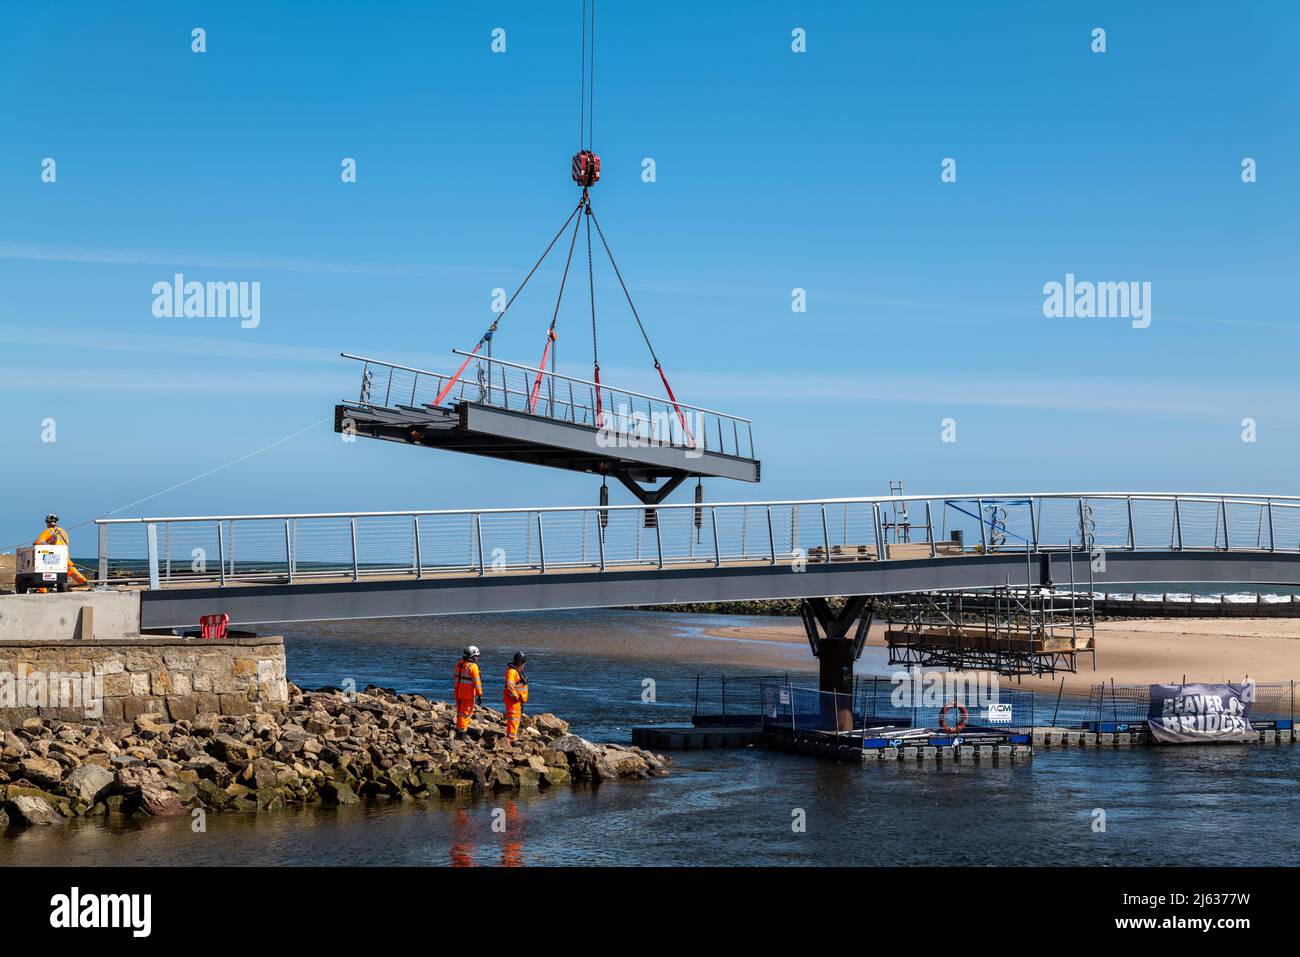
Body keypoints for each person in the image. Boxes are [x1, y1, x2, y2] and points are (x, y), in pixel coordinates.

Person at [35, 514, 87, 587]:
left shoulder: (48, 531)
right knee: (69, 569)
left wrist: (45, 545)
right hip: (65, 554)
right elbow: (67, 542)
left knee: (44, 571)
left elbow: (38, 542)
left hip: (54, 555)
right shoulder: (63, 531)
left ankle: (42, 590)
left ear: (47, 522)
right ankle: (84, 582)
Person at [453, 645, 483, 736]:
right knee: (465, 714)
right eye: (477, 656)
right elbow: (477, 683)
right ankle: (462, 733)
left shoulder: (459, 663)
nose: (477, 658)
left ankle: (459, 729)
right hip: (467, 694)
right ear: (473, 656)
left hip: (458, 692)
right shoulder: (473, 667)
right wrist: (480, 694)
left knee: (460, 712)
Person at [503, 652, 529, 744]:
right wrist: (516, 697)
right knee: (513, 719)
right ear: (521, 662)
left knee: (516, 719)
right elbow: (510, 686)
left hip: (517, 701)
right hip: (513, 700)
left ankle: (513, 737)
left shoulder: (517, 671)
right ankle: (511, 739)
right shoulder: (512, 672)